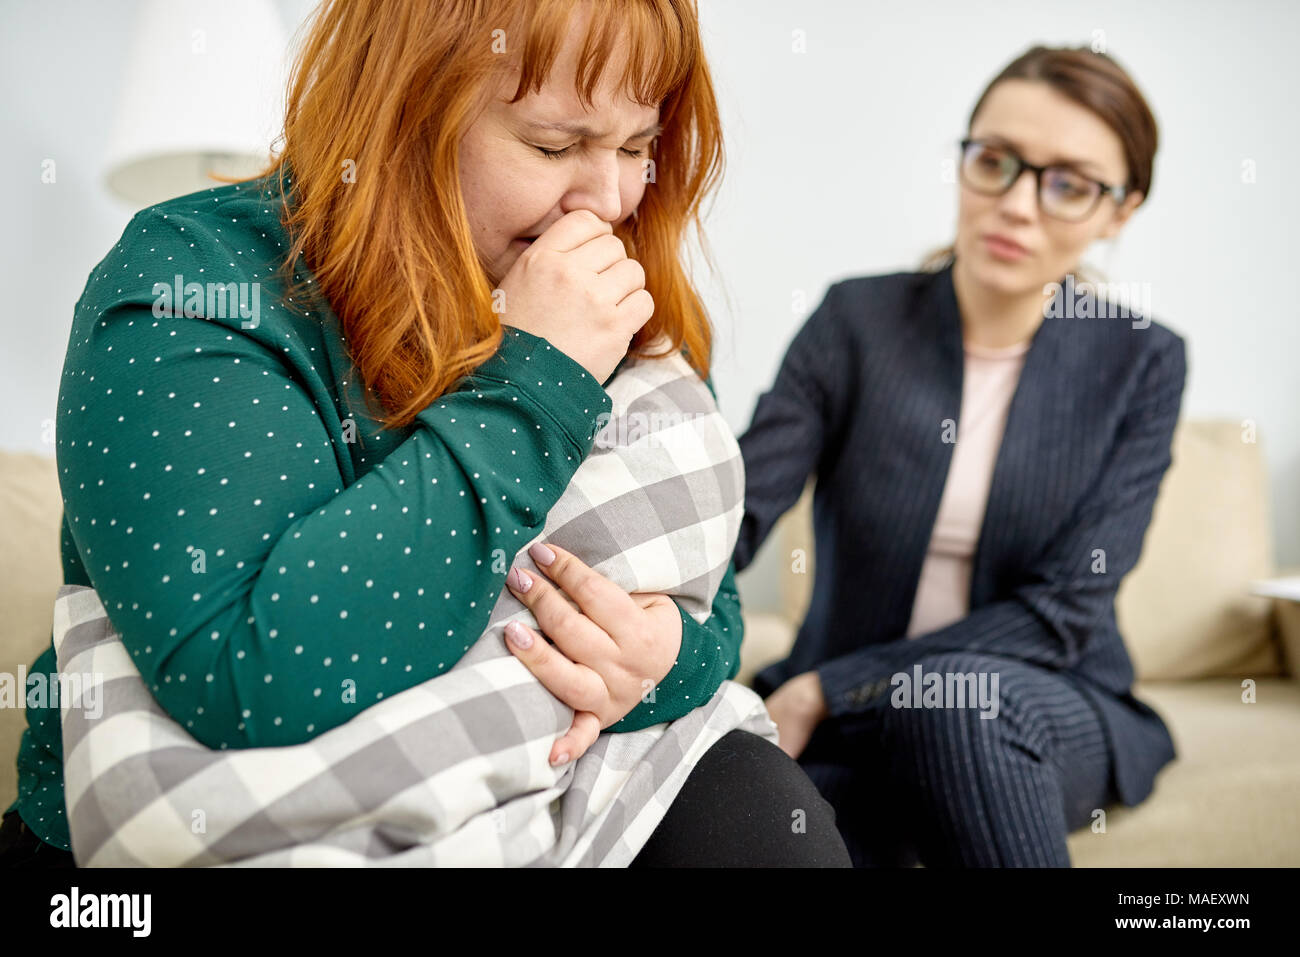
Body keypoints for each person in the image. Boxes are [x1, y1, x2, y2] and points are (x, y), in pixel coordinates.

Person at [3, 0, 848, 869]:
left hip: (560, 781)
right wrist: (539, 372)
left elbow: (713, 601)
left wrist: (660, 659)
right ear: (401, 111)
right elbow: (248, 677)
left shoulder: (618, 287)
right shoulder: (194, 278)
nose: (608, 202)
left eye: (637, 147)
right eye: (554, 145)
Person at [734, 45, 1186, 867]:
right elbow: (735, 514)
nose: (1017, 205)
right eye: (995, 161)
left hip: (1036, 703)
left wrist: (833, 685)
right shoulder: (853, 322)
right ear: (965, 159)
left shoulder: (1142, 361)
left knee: (955, 708)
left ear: (1120, 211)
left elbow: (1064, 611)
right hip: (845, 719)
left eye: (1069, 183)